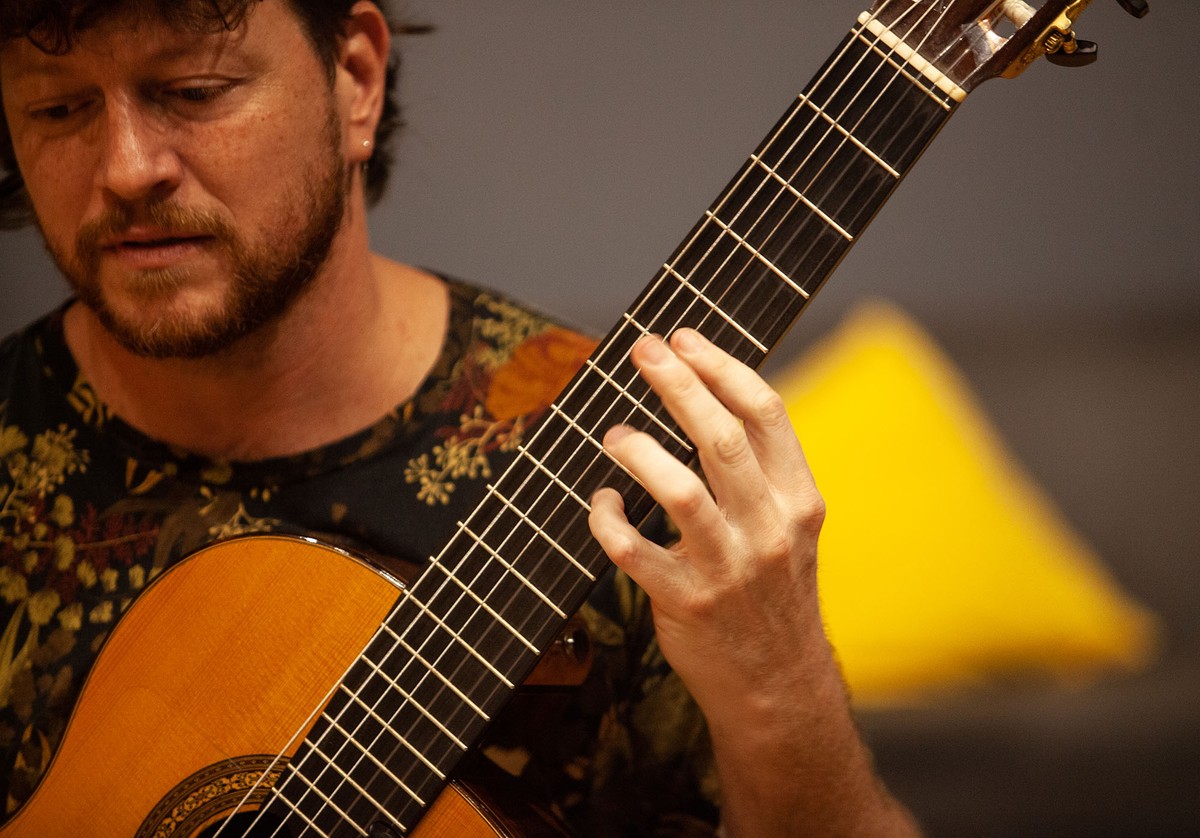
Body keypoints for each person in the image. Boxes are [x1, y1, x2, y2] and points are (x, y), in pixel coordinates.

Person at [0, 1, 918, 834]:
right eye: (57, 109)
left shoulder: (617, 461)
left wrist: (783, 677)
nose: (126, 169)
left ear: (355, 79)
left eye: (193, 91)